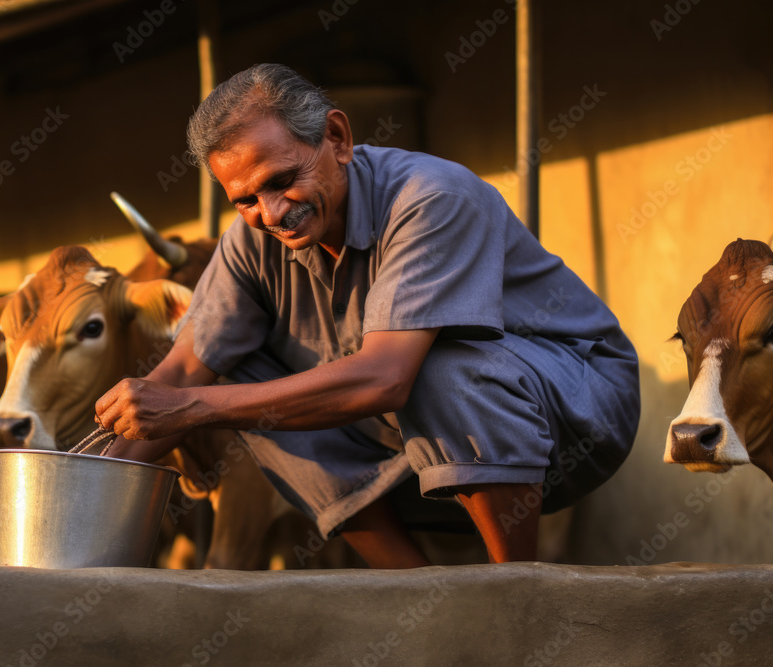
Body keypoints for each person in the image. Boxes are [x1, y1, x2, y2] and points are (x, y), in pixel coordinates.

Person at [95, 63, 640, 566]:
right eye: (245, 199)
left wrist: (193, 407)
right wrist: (85, 499)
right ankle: (419, 593)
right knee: (233, 373)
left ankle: (514, 589)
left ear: (337, 138)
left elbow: (385, 378)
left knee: (438, 366)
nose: (272, 212)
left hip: (575, 415)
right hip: (407, 446)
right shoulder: (249, 243)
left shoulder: (431, 198)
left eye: (283, 180)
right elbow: (183, 375)